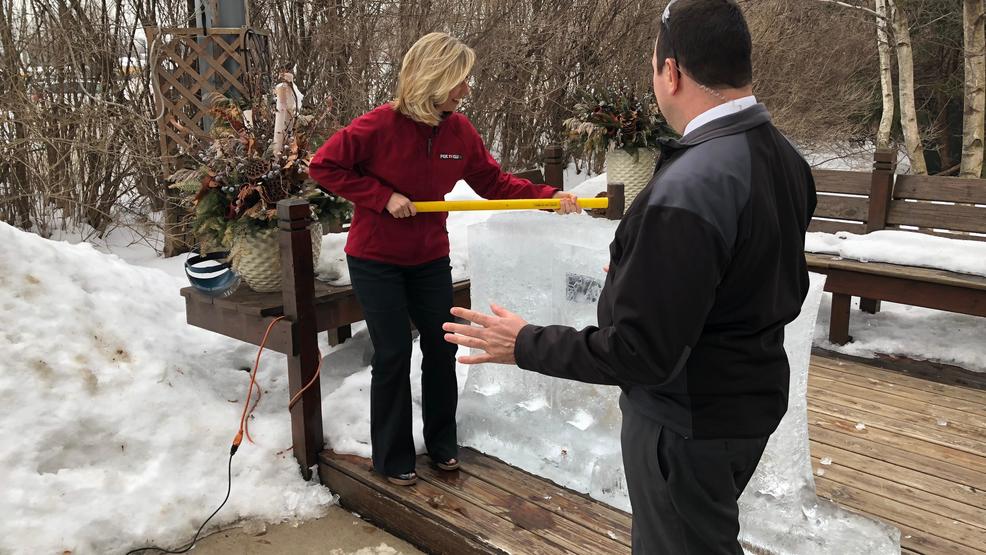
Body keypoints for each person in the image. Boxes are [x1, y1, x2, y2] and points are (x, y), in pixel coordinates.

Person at [443, 1, 817, 552]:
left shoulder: (694, 182)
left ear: (672, 72)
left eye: (653, 66)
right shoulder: (783, 157)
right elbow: (753, 273)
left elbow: (642, 353)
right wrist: (643, 273)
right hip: (747, 400)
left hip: (687, 420)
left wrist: (523, 343)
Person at [309, 32, 580, 487]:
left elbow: (494, 183)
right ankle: (392, 456)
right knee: (394, 351)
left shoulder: (460, 131)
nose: (466, 89)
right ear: (433, 77)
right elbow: (323, 165)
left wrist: (548, 196)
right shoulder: (378, 125)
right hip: (376, 258)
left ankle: (442, 443)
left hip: (430, 256)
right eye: (460, 80)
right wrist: (381, 196)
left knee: (441, 346)